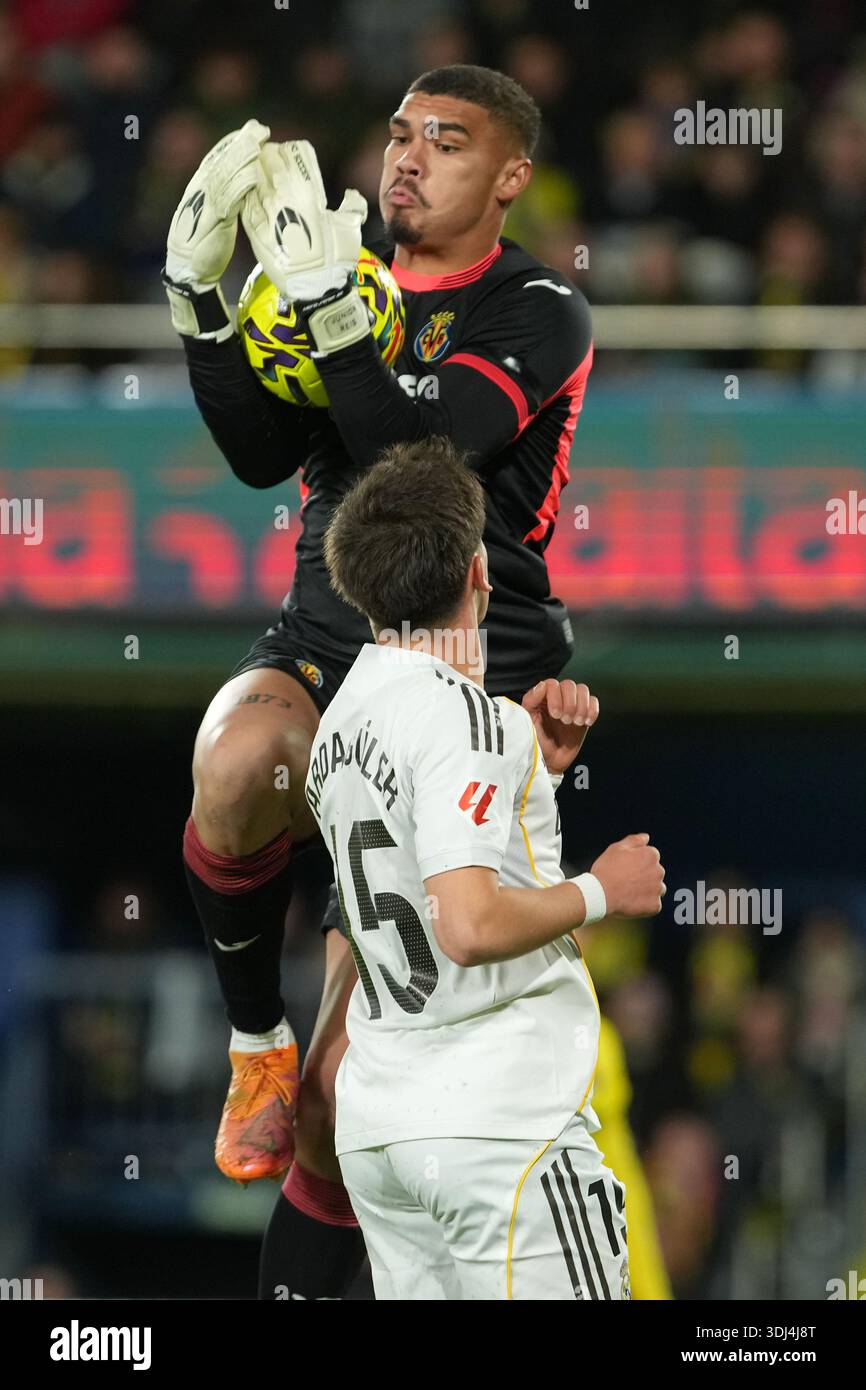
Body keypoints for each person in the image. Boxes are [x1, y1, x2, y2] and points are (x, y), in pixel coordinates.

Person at [163, 64, 593, 1300]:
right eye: (399, 135)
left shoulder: (537, 307)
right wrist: (202, 309)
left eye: (446, 144)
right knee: (235, 761)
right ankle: (254, 1039)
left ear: (509, 178)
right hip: (324, 635)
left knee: (342, 1106)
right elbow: (262, 456)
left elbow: (431, 446)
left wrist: (328, 317)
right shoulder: (345, 277)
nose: (405, 160)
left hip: (467, 669)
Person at [304, 435, 665, 1299]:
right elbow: (464, 927)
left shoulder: (339, 722)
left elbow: (405, 864)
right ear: (479, 573)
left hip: (387, 1129)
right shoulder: (464, 718)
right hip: (501, 1127)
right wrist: (598, 890)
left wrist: (521, 767)